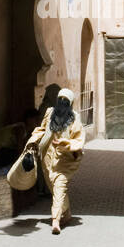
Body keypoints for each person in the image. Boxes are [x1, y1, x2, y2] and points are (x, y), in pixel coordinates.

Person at [25, 87, 85, 234]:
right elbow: (41, 129)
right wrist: (32, 143)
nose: (63, 102)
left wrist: (65, 143)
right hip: (47, 156)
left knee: (59, 186)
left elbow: (78, 139)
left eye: (66, 100)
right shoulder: (50, 112)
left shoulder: (74, 117)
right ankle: (67, 213)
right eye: (61, 100)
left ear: (70, 103)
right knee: (54, 187)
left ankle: (55, 221)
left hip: (65, 159)